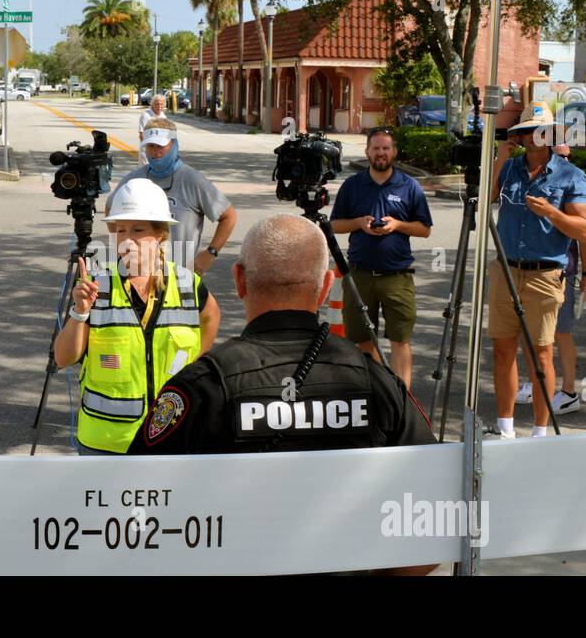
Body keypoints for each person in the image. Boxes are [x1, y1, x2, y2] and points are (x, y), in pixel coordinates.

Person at [127, 214, 436, 575]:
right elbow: (436, 517)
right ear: (324, 286)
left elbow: (133, 511)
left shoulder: (200, 387)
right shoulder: (375, 382)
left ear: (240, 280)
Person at [55, 178, 220, 455]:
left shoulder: (188, 284)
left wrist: (196, 364)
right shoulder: (96, 284)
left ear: (160, 234)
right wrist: (80, 312)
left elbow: (211, 317)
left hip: (174, 436)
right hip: (105, 442)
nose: (127, 240)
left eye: (138, 230)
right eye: (121, 231)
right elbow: (63, 358)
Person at [488, 101, 586, 439]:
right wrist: (503, 150)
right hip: (506, 269)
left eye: (540, 130)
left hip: (544, 273)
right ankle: (505, 428)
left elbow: (583, 229)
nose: (534, 137)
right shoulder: (510, 167)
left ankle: (539, 431)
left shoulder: (570, 175)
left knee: (541, 352)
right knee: (503, 349)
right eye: (527, 131)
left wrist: (551, 212)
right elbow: (487, 195)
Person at [329, 127, 433, 385]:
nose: (381, 153)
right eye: (376, 148)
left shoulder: (409, 186)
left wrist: (397, 225)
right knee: (363, 341)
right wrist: (358, 223)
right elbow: (334, 225)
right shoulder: (353, 185)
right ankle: (376, 395)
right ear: (367, 152)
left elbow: (425, 229)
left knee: (400, 340)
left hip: (397, 276)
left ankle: (402, 400)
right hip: (360, 274)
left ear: (394, 152)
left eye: (386, 148)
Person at [110, 118, 238, 274]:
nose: (155, 152)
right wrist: (122, 246)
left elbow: (229, 216)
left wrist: (210, 253)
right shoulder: (133, 180)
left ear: (174, 144)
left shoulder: (192, 180)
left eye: (160, 146)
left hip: (181, 278)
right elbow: (110, 209)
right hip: (139, 276)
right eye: (150, 146)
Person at [516, 235, 586, 414]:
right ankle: (534, 384)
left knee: (560, 331)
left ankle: (569, 393)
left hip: (561, 270)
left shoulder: (574, 205)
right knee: (527, 330)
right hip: (527, 266)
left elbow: (584, 235)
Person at [137, 93, 166, 166]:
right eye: (157, 104)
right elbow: (141, 135)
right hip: (147, 149)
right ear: (152, 104)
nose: (159, 107)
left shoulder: (163, 116)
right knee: (145, 172)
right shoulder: (146, 115)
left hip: (159, 150)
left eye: (161, 104)